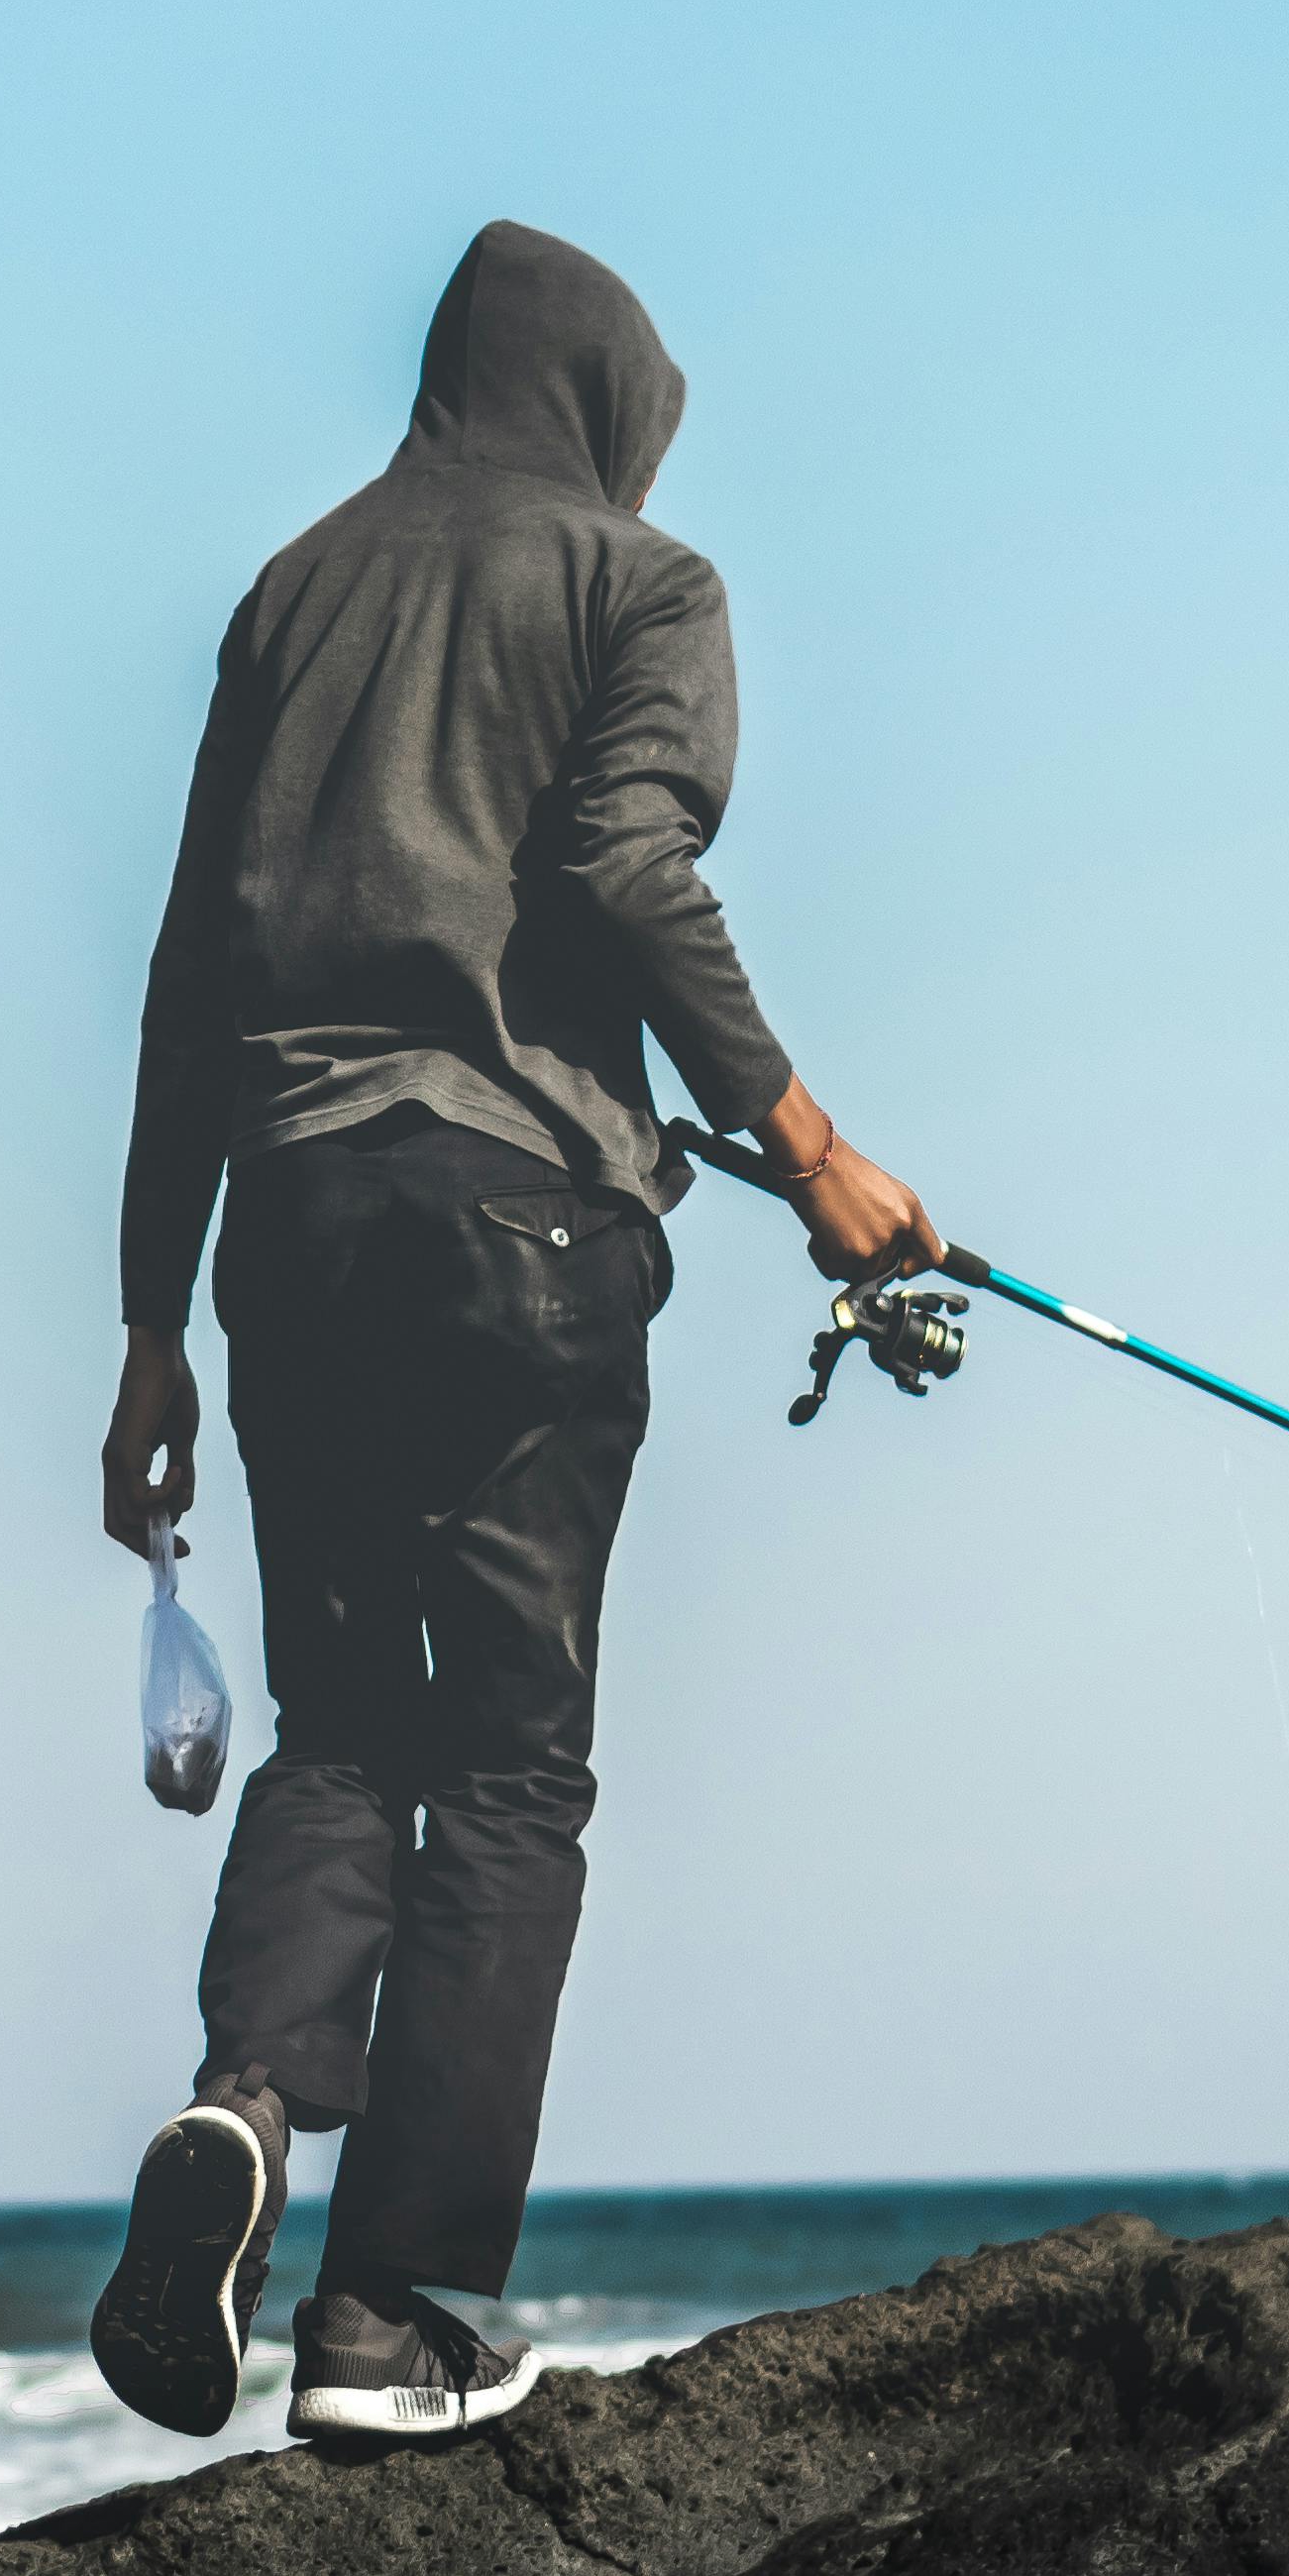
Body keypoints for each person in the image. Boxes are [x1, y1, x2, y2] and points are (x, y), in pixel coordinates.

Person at [89, 221, 933, 2447]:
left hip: (286, 1230)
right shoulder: (638, 587)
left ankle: (247, 2106)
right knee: (515, 1774)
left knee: (342, 1729)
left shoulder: (293, 588)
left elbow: (186, 976)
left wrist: (147, 1331)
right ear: (611, 400)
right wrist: (815, 1146)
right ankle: (401, 2324)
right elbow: (625, 872)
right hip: (521, 1235)